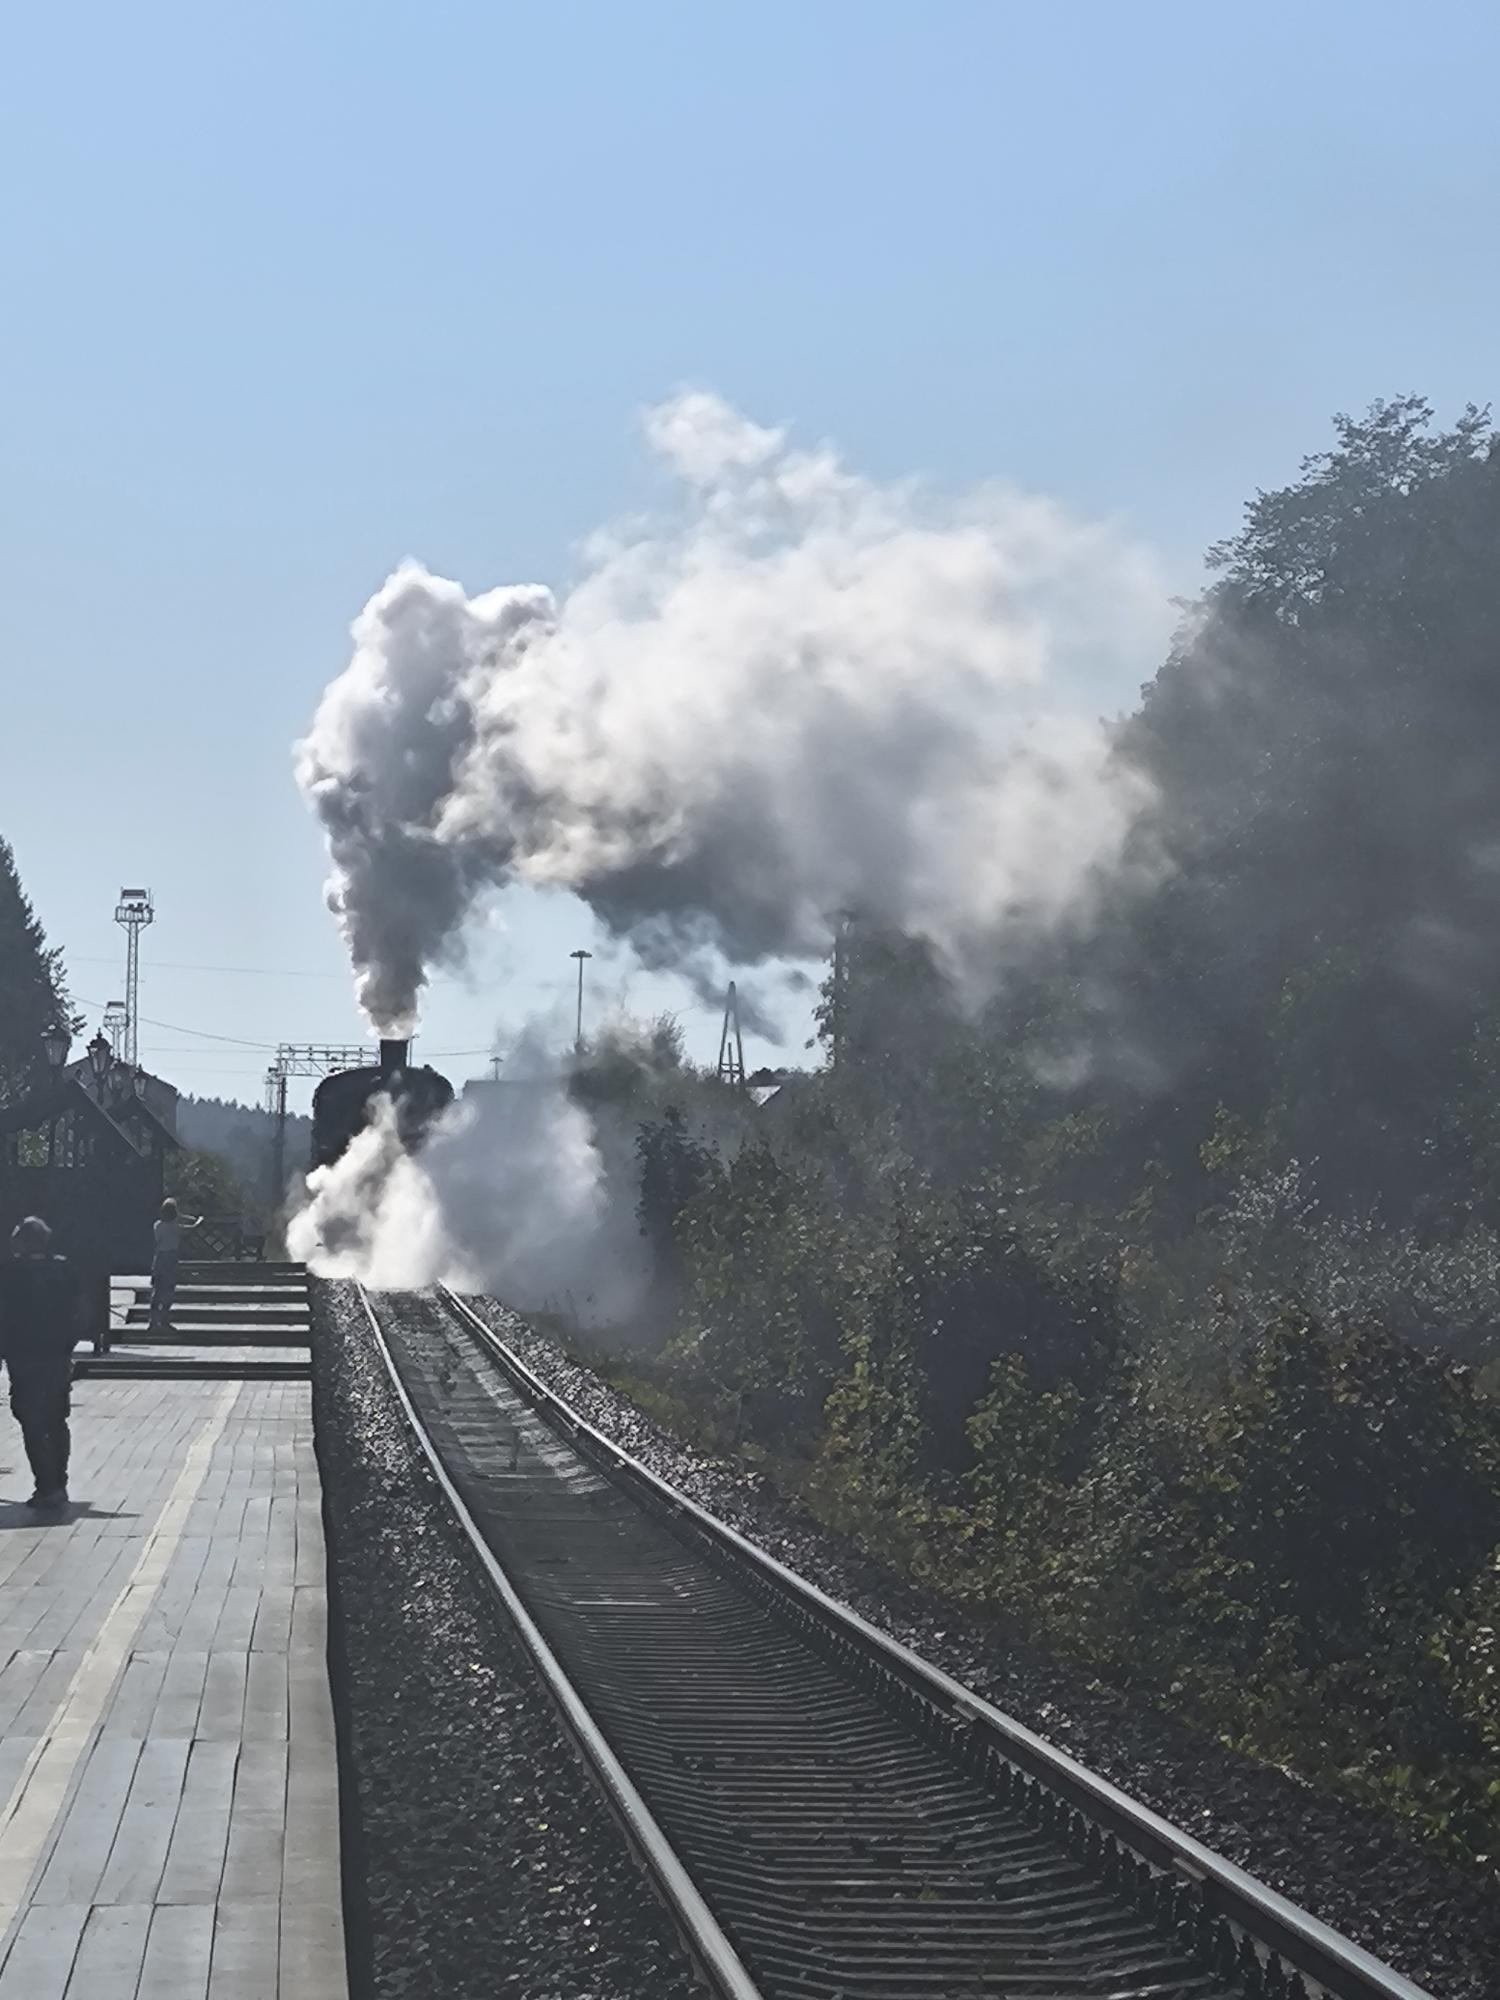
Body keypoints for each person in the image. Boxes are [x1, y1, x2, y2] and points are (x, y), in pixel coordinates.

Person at [0, 1217, 82, 1510]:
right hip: (57, 1354)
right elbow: (77, 1309)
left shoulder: (9, 1273)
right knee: (57, 1418)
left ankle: (46, 1485)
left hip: (23, 1355)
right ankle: (59, 1482)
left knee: (30, 1419)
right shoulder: (63, 1269)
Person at [148, 1199, 203, 1330]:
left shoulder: (158, 1225)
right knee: (169, 1290)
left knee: (157, 1290)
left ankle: (153, 1320)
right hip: (171, 1258)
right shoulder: (175, 1227)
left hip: (159, 1258)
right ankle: (164, 1319)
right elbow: (190, 1228)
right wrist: (199, 1220)